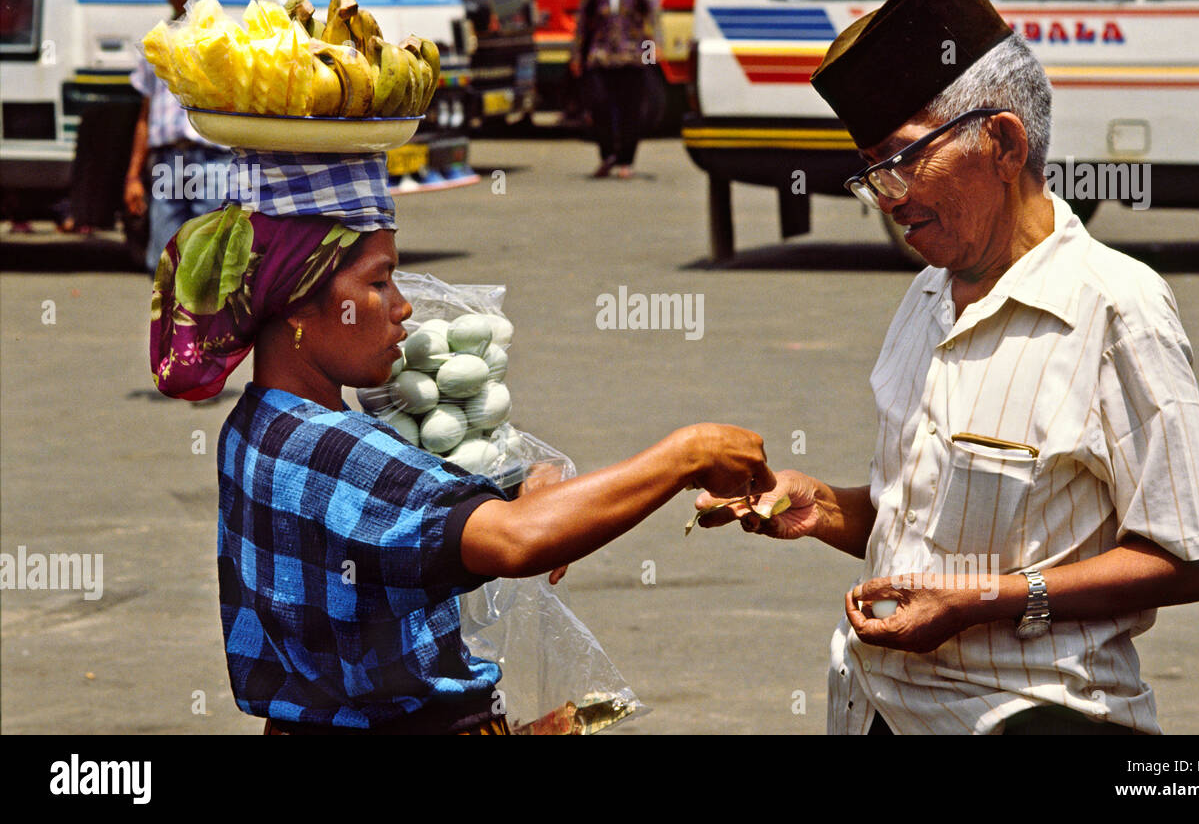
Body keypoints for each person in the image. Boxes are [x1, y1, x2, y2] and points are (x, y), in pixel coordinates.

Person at [695, 0, 1199, 735]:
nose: (890, 200)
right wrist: (819, 508)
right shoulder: (926, 294)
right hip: (875, 707)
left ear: (1004, 143)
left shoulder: (1118, 306)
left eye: (904, 161)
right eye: (872, 176)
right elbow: (917, 520)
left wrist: (987, 602)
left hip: (1033, 715)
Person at [149, 150, 774, 734]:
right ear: (296, 305)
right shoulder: (331, 451)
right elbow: (514, 540)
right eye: (379, 283)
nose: (401, 309)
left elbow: (391, 528)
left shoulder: (258, 426)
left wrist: (518, 491)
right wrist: (687, 453)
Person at [126, 0, 233, 274]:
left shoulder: (226, 39)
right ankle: (170, 329)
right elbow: (144, 116)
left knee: (210, 267)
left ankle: (211, 329)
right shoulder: (157, 42)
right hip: (167, 164)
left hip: (215, 162)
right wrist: (132, 176)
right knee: (164, 265)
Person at [569, 0, 661, 179]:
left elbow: (653, 14)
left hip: (631, 53)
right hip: (601, 53)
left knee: (631, 109)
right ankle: (607, 152)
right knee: (598, 104)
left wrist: (655, 45)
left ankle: (626, 160)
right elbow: (582, 22)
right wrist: (576, 54)